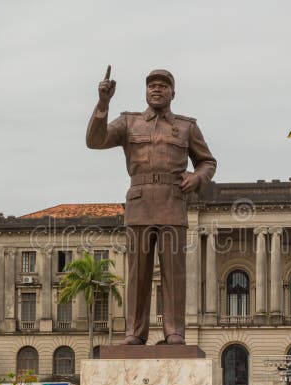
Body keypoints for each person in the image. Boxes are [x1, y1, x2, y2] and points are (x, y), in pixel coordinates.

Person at [86, 67, 217, 345]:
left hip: (172, 201)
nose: (156, 89)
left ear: (173, 92)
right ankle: (134, 332)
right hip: (140, 203)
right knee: (138, 273)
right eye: (151, 86)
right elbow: (95, 141)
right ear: (146, 92)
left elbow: (207, 161)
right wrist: (103, 103)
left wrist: (197, 177)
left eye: (163, 85)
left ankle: (174, 331)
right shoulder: (128, 122)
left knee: (174, 273)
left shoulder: (186, 127)